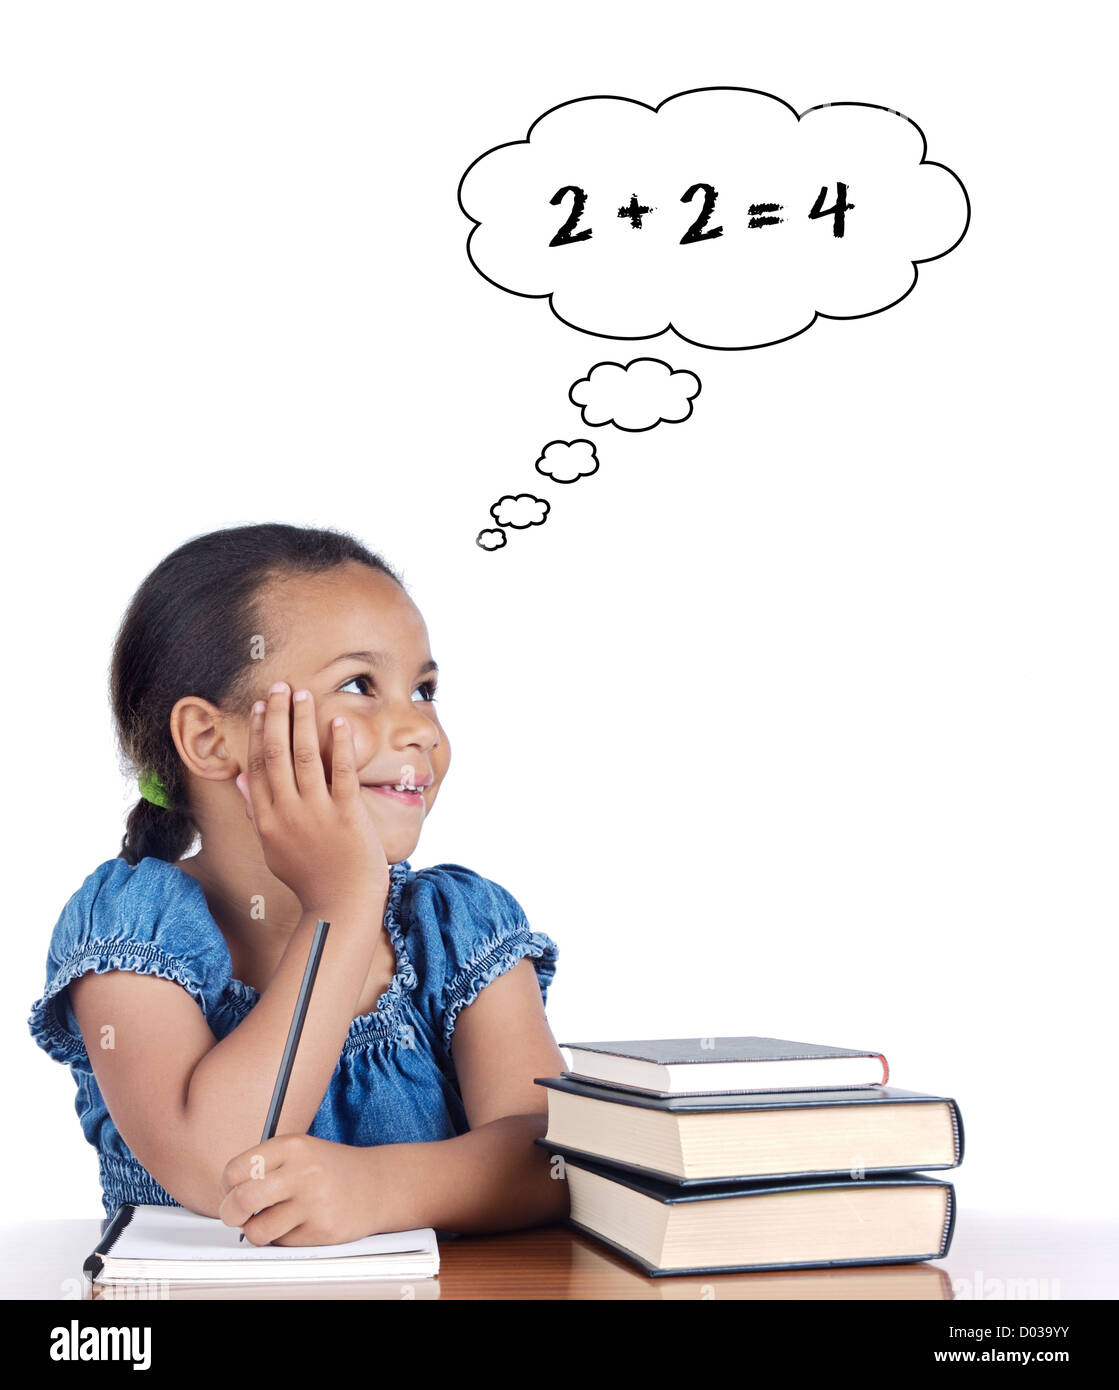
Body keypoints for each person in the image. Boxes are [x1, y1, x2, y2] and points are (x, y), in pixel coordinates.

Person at [28, 522, 567, 1245]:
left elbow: (555, 1157)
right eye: (358, 684)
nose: (419, 730)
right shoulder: (129, 928)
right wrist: (341, 905)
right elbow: (220, 1164)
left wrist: (378, 1188)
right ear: (210, 740)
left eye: (424, 689)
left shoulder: (456, 926)